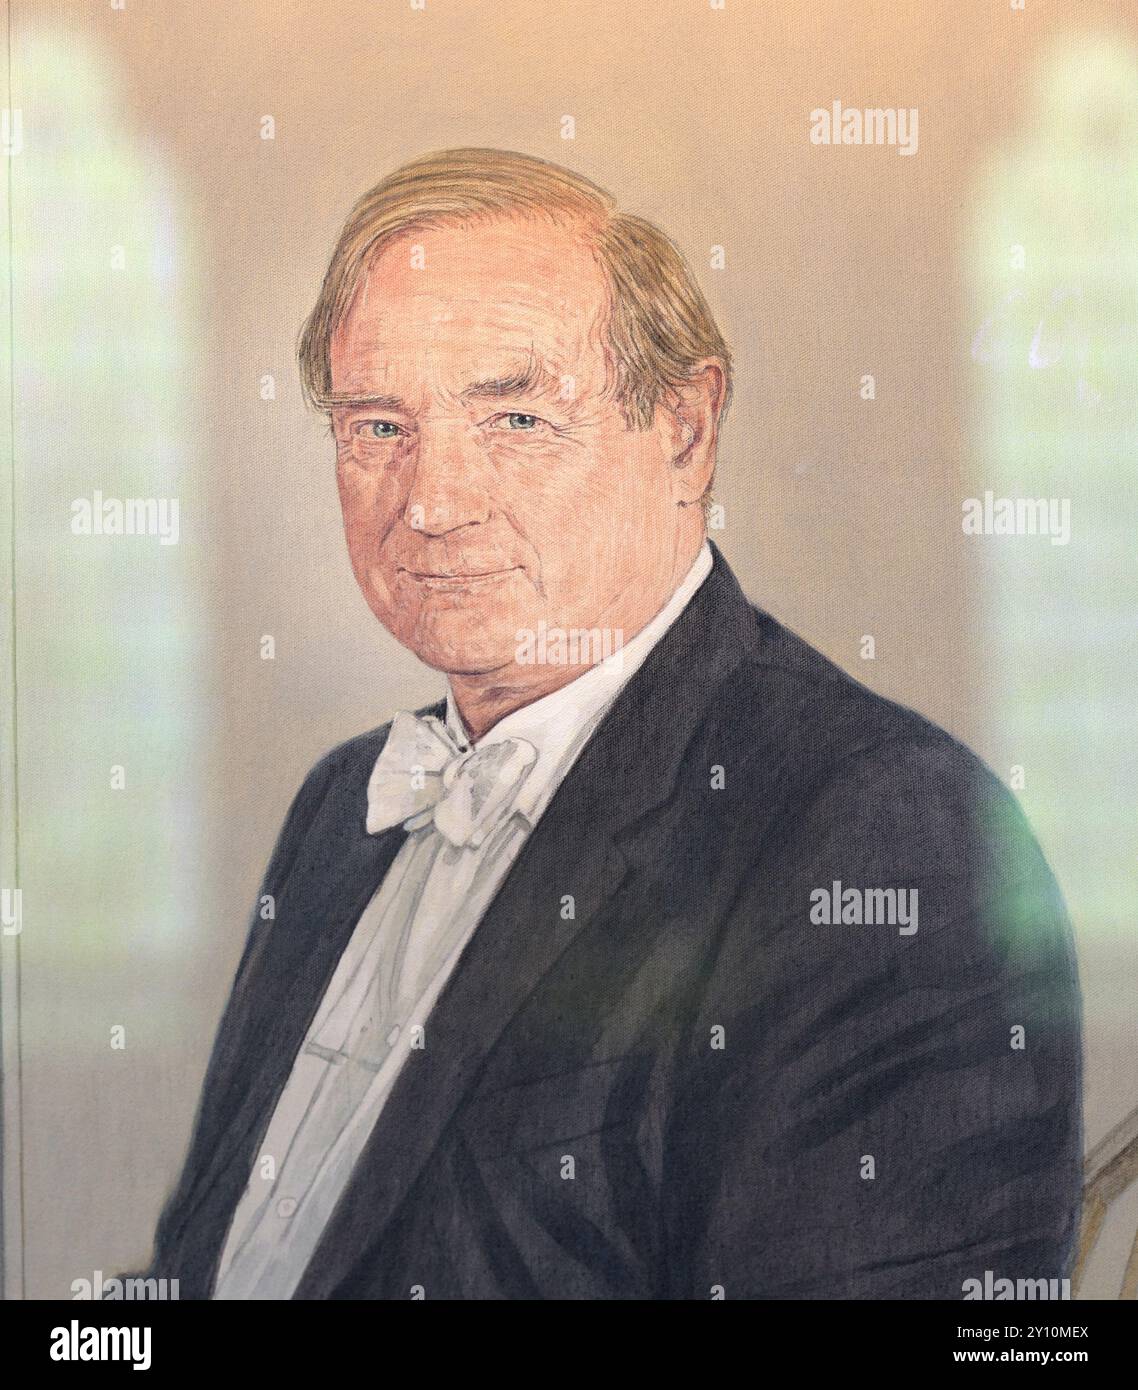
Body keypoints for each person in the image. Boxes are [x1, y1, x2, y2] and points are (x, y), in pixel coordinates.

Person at [146, 148, 1083, 1299]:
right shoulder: (345, 805)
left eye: (520, 418)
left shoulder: (882, 830)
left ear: (685, 430)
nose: (431, 503)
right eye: (379, 427)